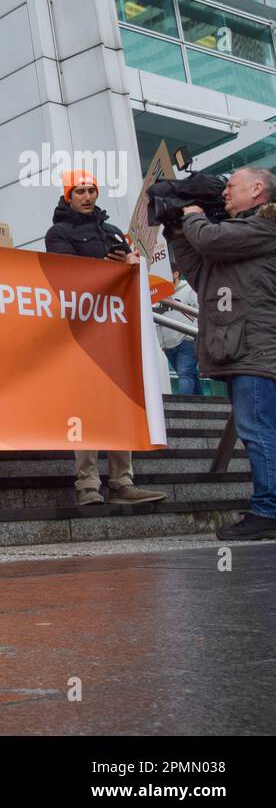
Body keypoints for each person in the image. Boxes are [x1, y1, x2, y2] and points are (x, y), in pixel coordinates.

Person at [45, 169, 168, 507]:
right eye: (80, 191)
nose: (87, 197)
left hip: (117, 331)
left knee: (118, 405)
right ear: (68, 196)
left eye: (91, 190)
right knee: (84, 406)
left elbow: (130, 275)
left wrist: (131, 263)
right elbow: (64, 277)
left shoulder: (114, 232)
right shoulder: (57, 233)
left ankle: (121, 482)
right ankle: (88, 484)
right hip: (81, 334)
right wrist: (104, 265)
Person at [168, 166, 276, 540]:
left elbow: (211, 241)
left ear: (258, 188)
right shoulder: (237, 235)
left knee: (258, 431)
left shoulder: (265, 225)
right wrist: (178, 231)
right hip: (237, 349)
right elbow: (200, 277)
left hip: (256, 349)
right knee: (256, 430)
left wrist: (195, 214)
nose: (225, 192)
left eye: (231, 186)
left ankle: (268, 510)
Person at [155, 271, 202, 396]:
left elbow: (200, 311)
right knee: (189, 375)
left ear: (175, 274)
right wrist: (162, 344)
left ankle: (182, 407)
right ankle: (203, 403)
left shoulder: (189, 289)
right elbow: (157, 321)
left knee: (185, 373)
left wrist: (192, 335)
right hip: (169, 346)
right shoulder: (159, 294)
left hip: (187, 341)